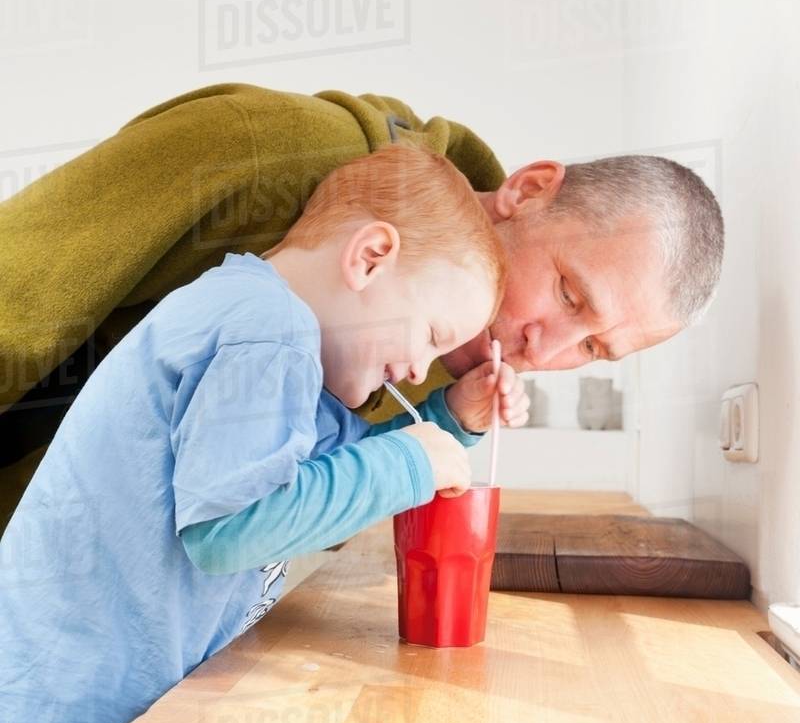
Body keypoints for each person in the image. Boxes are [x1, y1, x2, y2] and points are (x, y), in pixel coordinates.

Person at [0, 145, 529, 723]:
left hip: (77, 704)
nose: (419, 366)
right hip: (58, 720)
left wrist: (448, 421)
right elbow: (233, 527)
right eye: (430, 334)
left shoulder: (265, 332)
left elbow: (323, 489)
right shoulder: (266, 331)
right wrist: (413, 461)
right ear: (369, 257)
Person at [0, 82, 725, 532]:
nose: (545, 350)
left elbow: (290, 493)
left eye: (592, 349)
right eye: (569, 293)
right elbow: (16, 291)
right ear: (529, 190)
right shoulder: (267, 150)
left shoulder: (423, 345)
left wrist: (446, 427)